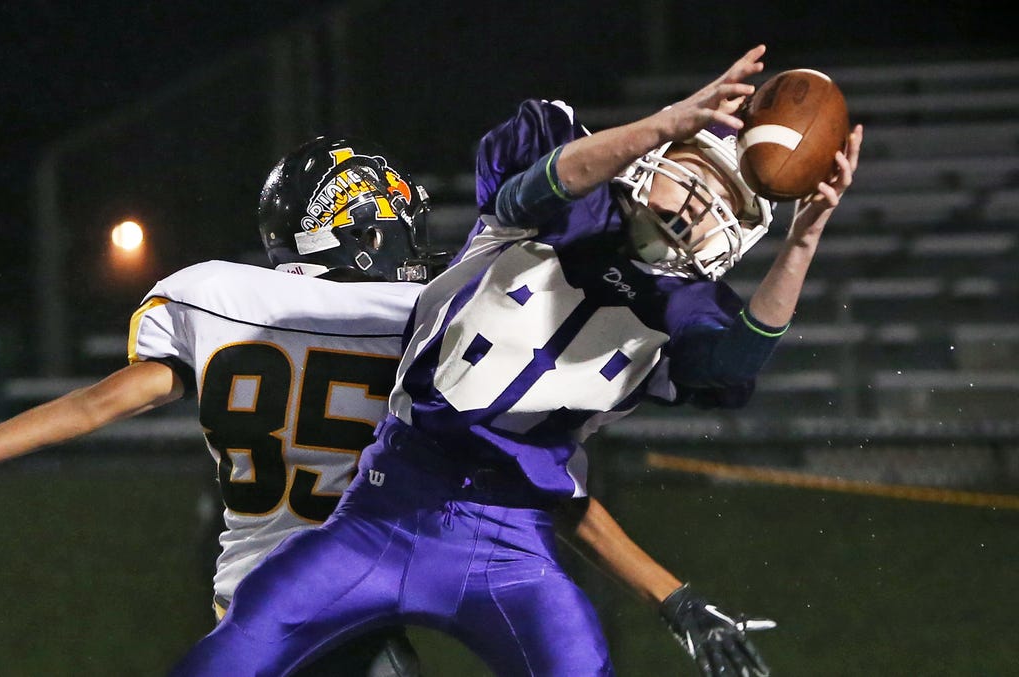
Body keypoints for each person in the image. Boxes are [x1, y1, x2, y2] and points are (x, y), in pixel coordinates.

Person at [0, 137, 731, 675]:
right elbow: (536, 488)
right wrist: (669, 592)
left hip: (255, 607)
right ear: (369, 227)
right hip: (367, 602)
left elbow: (94, 406)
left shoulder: (219, 298)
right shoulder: (433, 317)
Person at [168, 44, 863, 677]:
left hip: (506, 539)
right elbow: (536, 186)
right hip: (387, 502)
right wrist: (665, 121)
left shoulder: (685, 310)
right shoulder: (567, 203)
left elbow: (735, 359)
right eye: (688, 184)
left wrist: (804, 241)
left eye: (717, 213)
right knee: (232, 655)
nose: (691, 215)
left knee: (580, 666)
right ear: (654, 159)